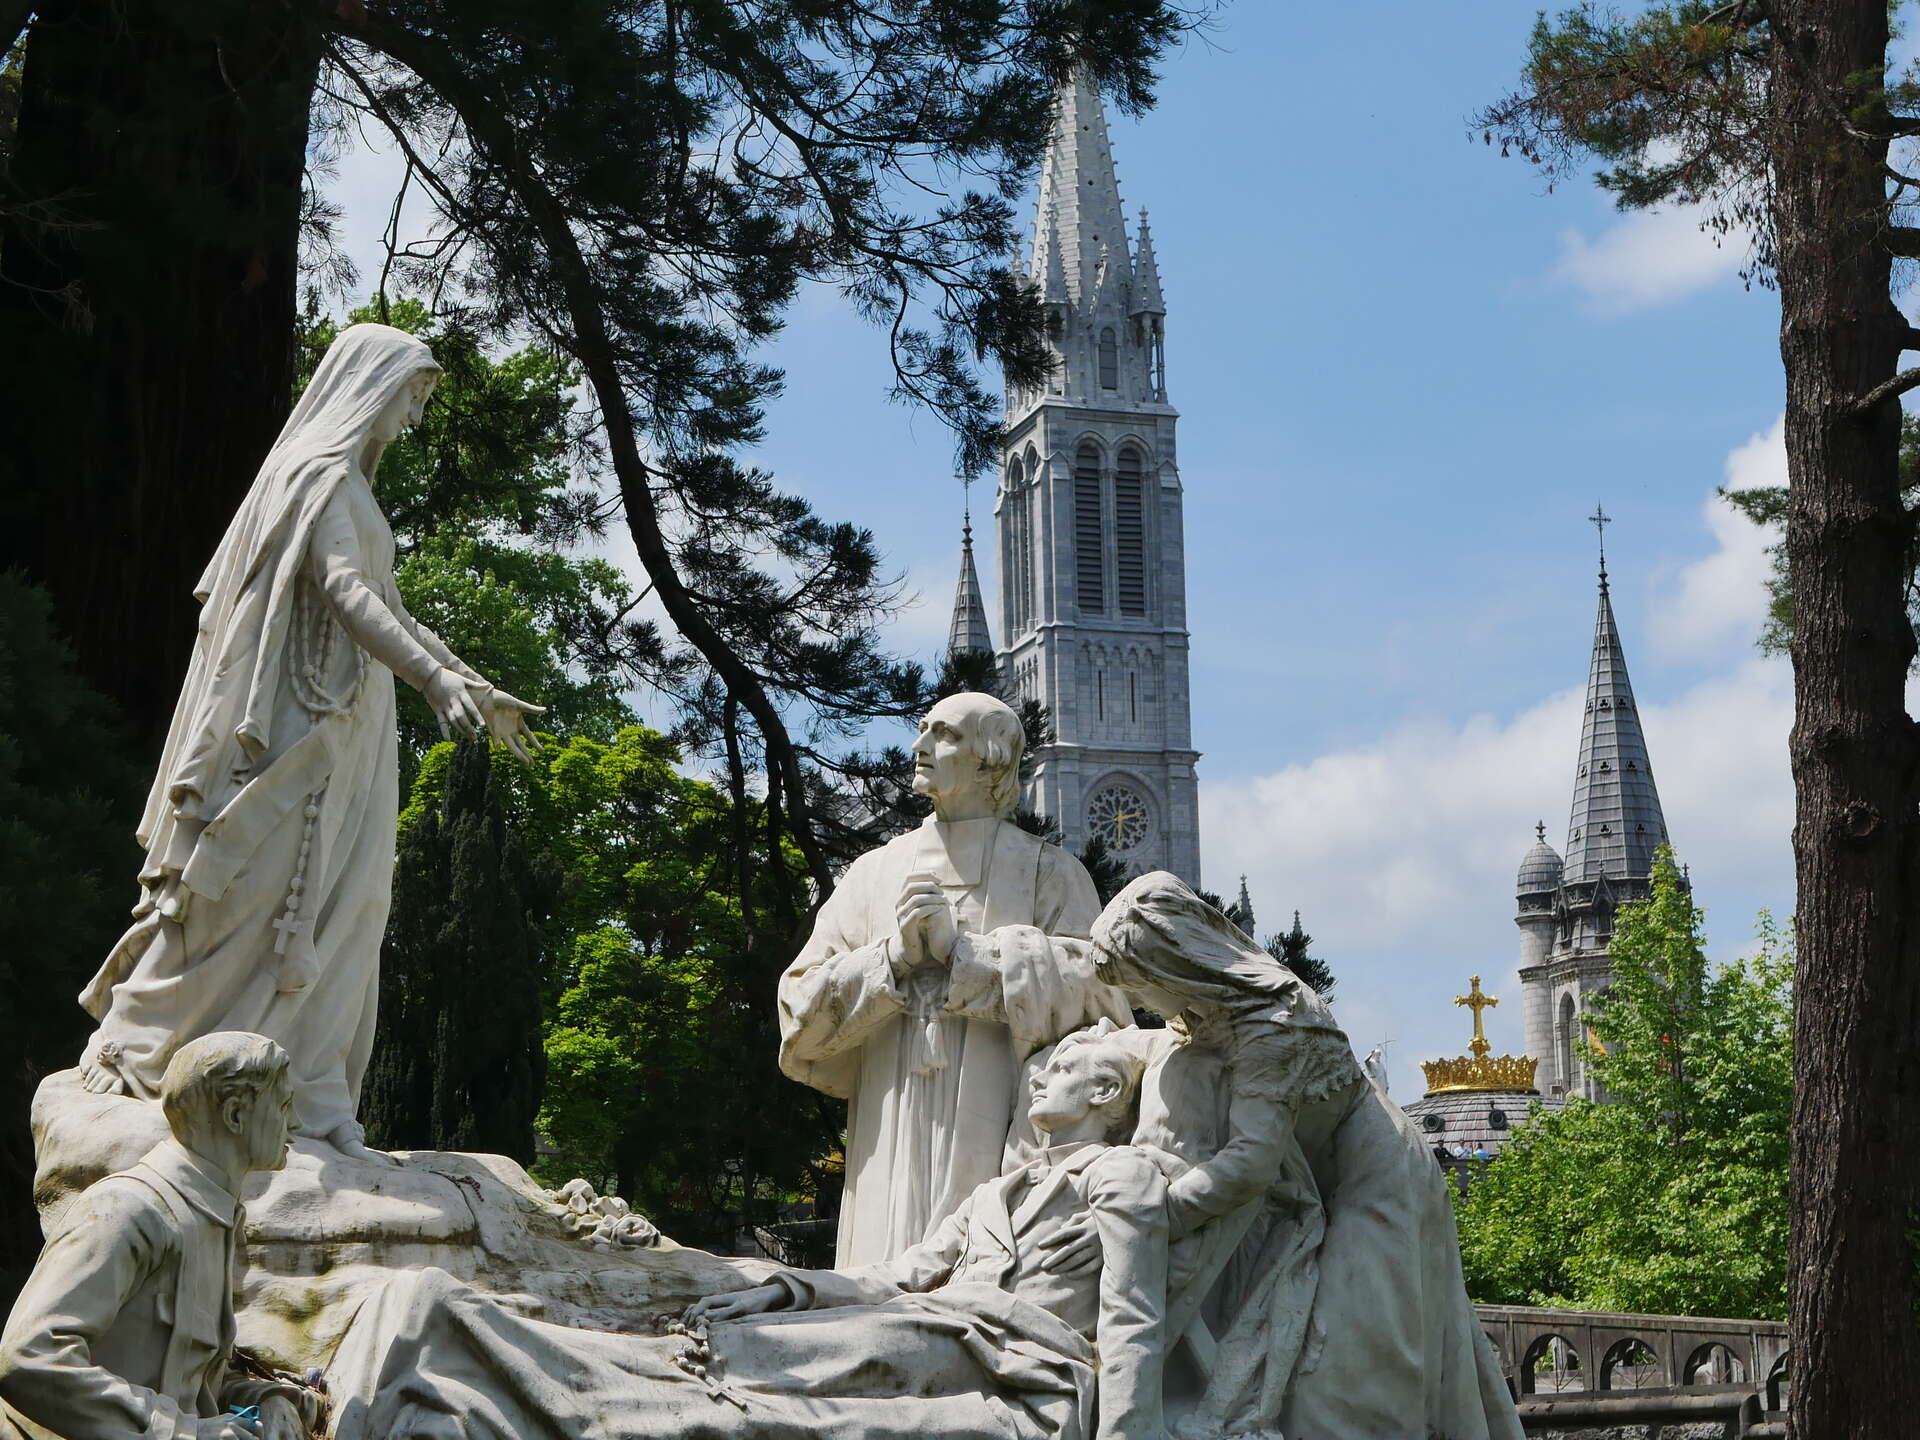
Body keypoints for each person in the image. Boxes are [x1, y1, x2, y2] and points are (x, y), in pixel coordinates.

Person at [75, 323, 542, 1158]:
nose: (414, 417)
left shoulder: (354, 491)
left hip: (354, 735)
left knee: (353, 908)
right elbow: (348, 590)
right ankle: (138, 1045)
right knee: (247, 894)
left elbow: (393, 611)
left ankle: (301, 1089)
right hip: (299, 729)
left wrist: (465, 678)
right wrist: (430, 681)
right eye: (412, 395)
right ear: (370, 384)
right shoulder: (318, 476)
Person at [323, 1023, 1168, 1440]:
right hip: (937, 1326)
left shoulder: (1122, 1178)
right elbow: (899, 1274)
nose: (1039, 1079)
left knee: (798, 1357)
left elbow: (1132, 1321)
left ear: (1104, 1099)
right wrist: (782, 1287)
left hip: (1014, 1356)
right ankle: (520, 1363)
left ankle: (557, 1386)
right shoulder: (994, 1194)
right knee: (779, 1333)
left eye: (1061, 1071)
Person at [1068, 872, 1525, 1440]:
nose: (1135, 1001)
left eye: (1137, 983)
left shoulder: (1270, 1024)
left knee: (1346, 1374)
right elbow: (1161, 1046)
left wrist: (1151, 1217)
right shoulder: (1209, 1010)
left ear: (1171, 965)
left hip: (1371, 1183)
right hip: (1314, 1187)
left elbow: (1248, 1162)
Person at [777, 691, 1129, 1264]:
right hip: (886, 1129)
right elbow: (797, 1013)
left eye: (943, 734)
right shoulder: (872, 875)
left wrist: (967, 959)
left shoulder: (1049, 873)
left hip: (1001, 1135)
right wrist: (891, 960)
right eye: (923, 731)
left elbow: (1103, 1006)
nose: (918, 747)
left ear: (990, 757)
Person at [0, 1033, 318, 1440]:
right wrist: (180, 1432)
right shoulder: (127, 1210)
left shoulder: (214, 1218)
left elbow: (191, 1383)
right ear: (236, 1116)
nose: (296, 1123)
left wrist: (269, 1399)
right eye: (284, 1105)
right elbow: (28, 1357)